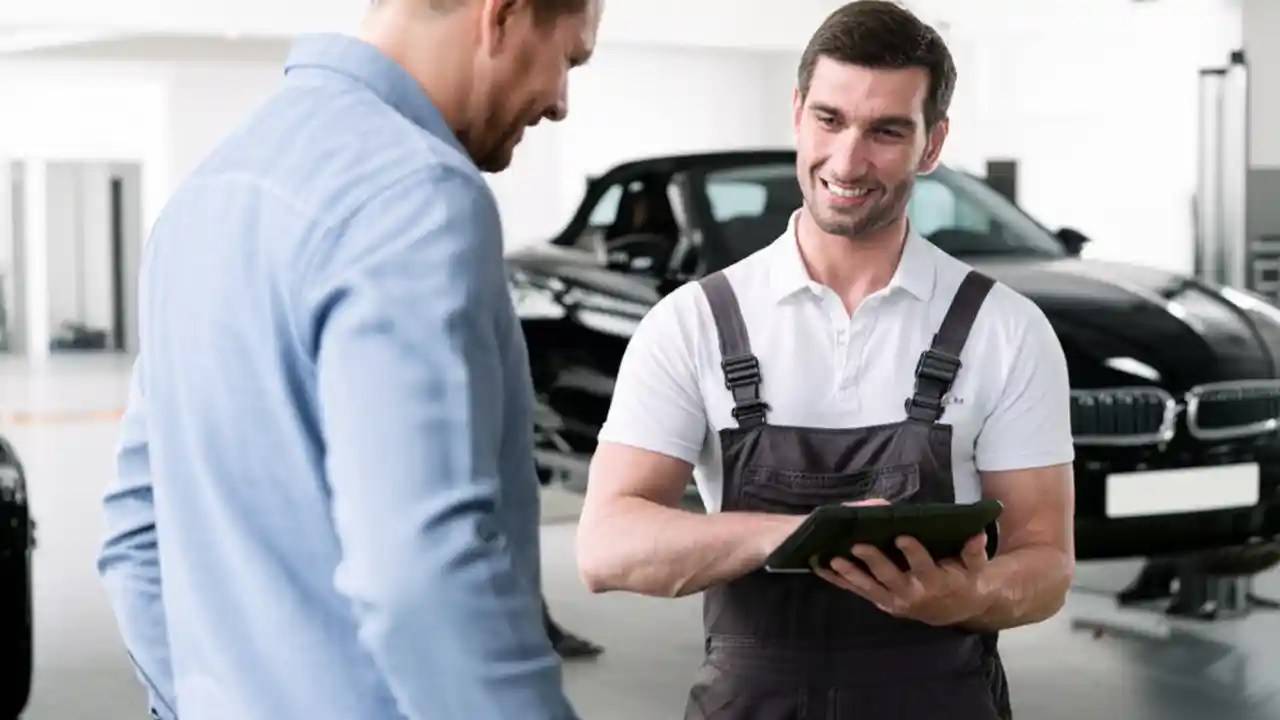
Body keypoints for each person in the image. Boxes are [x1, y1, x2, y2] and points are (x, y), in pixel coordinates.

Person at [95, 1, 601, 718]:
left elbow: (134, 534)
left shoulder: (206, 191)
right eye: (569, 60)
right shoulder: (417, 194)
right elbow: (423, 576)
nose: (559, 102)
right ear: (503, 15)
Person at [575, 2, 1076, 718]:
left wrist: (972, 597)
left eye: (886, 132)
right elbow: (606, 548)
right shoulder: (695, 324)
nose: (847, 161)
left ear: (933, 144)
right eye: (831, 120)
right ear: (798, 113)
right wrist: (807, 533)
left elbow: (1047, 562)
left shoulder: (1005, 329)